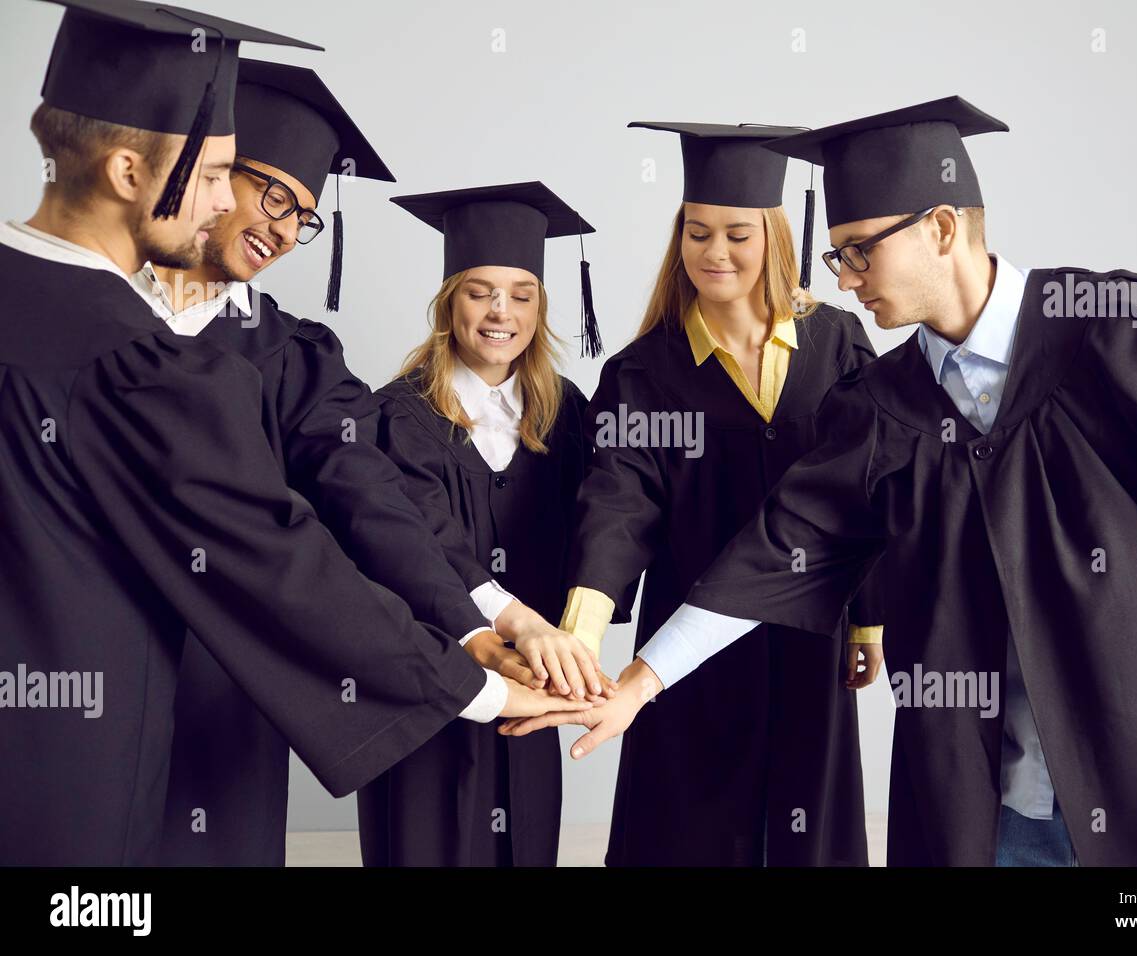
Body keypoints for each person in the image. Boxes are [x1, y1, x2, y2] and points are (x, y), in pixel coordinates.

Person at [503, 96, 1137, 868]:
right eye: (837, 255)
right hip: (991, 806)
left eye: (859, 251)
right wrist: (637, 685)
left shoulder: (1123, 330)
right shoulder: (879, 407)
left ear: (942, 228)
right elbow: (779, 550)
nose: (844, 280)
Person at [0, 0, 587, 867]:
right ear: (136, 171)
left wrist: (480, 618)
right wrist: (470, 686)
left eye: (302, 214)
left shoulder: (291, 354)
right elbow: (271, 547)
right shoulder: (132, 354)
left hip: (233, 696)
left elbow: (370, 501)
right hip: (98, 713)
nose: (277, 227)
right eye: (245, 183)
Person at [541, 122, 884, 866]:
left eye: (736, 234)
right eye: (697, 234)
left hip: (805, 635)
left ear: (773, 237)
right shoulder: (646, 372)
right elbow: (617, 502)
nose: (714, 253)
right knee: (689, 828)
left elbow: (866, 495)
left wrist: (867, 622)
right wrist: (583, 628)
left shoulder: (836, 345)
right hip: (684, 643)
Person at [356, 181, 608, 866]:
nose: (501, 313)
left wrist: (570, 644)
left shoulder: (568, 415)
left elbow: (604, 528)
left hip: (530, 692)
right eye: (480, 292)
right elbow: (419, 544)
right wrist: (516, 625)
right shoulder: (397, 416)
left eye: (521, 295)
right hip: (427, 691)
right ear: (449, 304)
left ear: (540, 308)